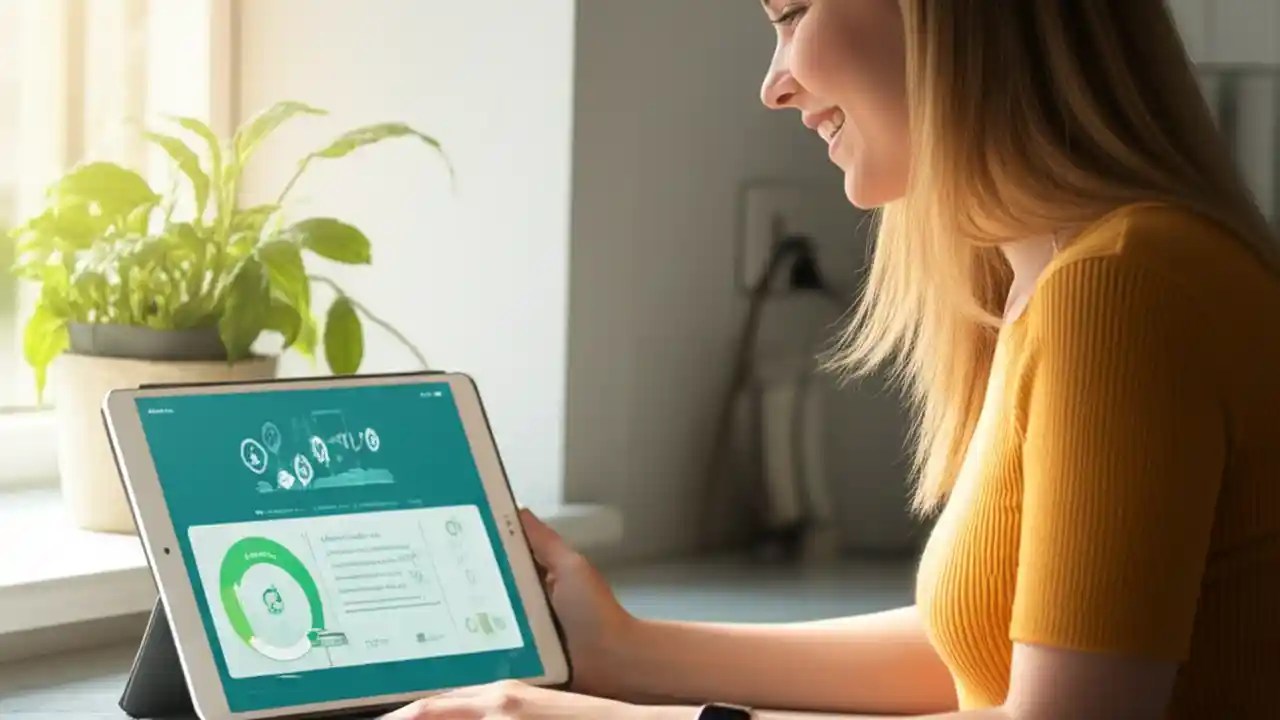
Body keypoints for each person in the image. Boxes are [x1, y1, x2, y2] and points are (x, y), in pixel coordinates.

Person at [387, 1, 1280, 718]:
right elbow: (981, 650)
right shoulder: (1071, 274)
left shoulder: (1123, 286)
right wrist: (625, 651)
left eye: (792, 14)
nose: (774, 85)